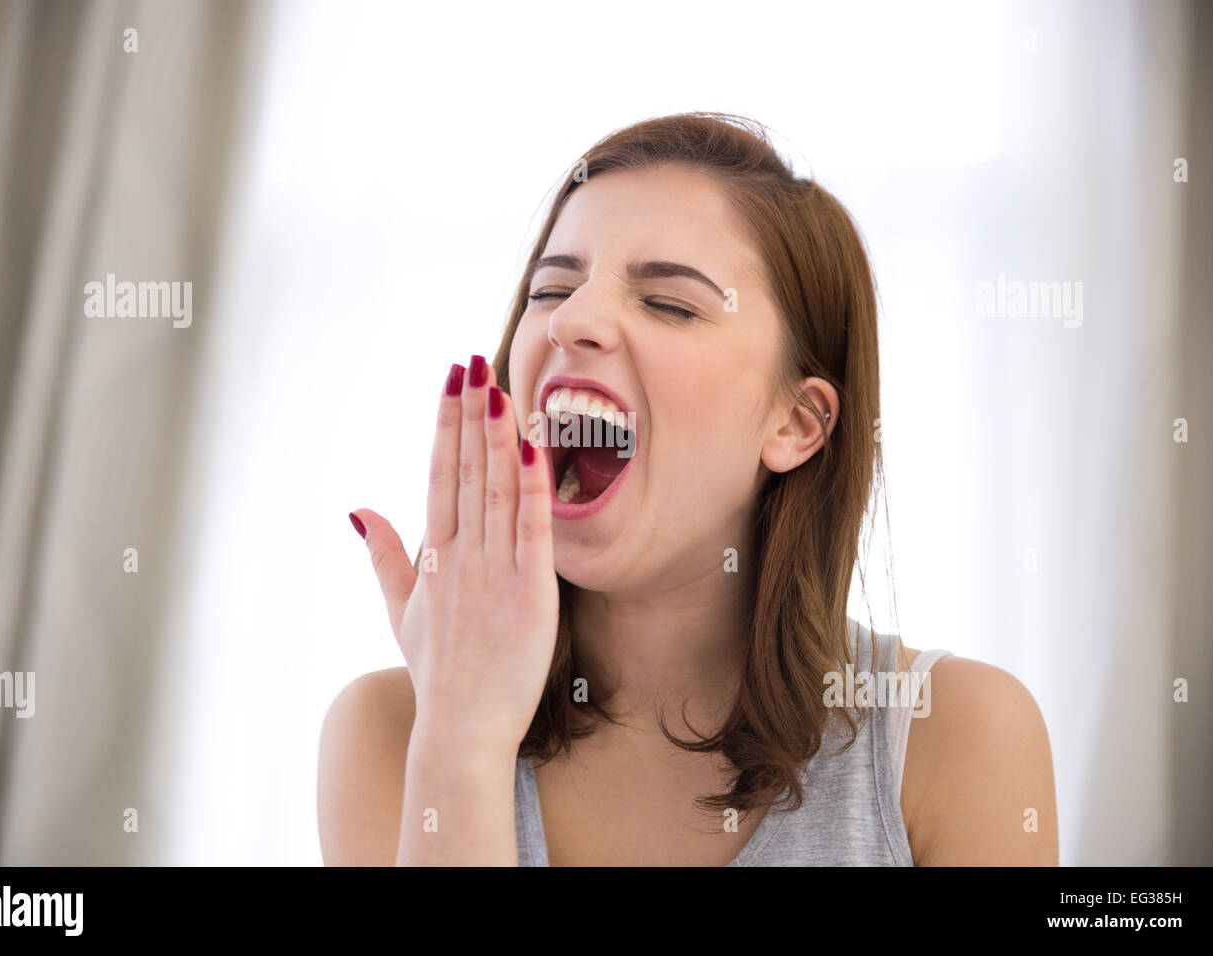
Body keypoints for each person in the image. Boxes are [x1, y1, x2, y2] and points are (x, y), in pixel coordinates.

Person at [318, 112, 1057, 866]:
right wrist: (462, 739)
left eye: (669, 304)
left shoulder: (957, 736)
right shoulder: (392, 733)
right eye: (551, 290)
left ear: (798, 423)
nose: (573, 320)